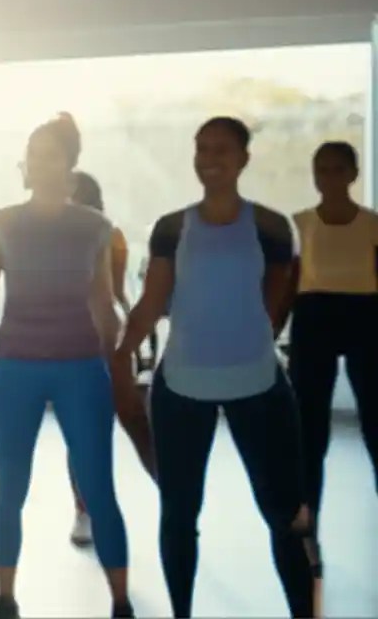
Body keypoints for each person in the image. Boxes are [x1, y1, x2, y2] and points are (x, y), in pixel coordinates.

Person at [0, 114, 138, 619]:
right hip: (15, 368)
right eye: (33, 155)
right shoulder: (0, 224)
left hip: (81, 368)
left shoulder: (96, 228)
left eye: (51, 155)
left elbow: (104, 306)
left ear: (70, 165)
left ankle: (121, 602)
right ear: (24, 166)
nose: (40, 164)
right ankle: (5, 598)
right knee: (10, 488)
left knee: (98, 487)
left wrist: (121, 370)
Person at [112, 116, 315, 619]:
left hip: (258, 383)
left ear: (244, 157)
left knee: (285, 516)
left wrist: (240, 343)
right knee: (179, 515)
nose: (209, 159)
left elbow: (273, 302)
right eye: (201, 149)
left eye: (221, 149)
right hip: (182, 387)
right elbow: (150, 304)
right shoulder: (171, 228)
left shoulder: (270, 225)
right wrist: (117, 360)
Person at [286, 141, 378, 574]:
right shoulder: (301, 223)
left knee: (377, 427)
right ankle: (310, 535)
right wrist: (270, 329)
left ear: (353, 174)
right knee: (309, 433)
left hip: (366, 318)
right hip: (314, 317)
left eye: (338, 169)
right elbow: (289, 283)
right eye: (321, 170)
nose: (329, 177)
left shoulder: (373, 224)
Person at [66, 170, 151, 548]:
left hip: (107, 333)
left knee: (129, 419)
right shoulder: (54, 234)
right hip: (70, 335)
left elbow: (116, 293)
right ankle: (83, 509)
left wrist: (137, 339)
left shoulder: (109, 235)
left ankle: (173, 497)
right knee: (80, 430)